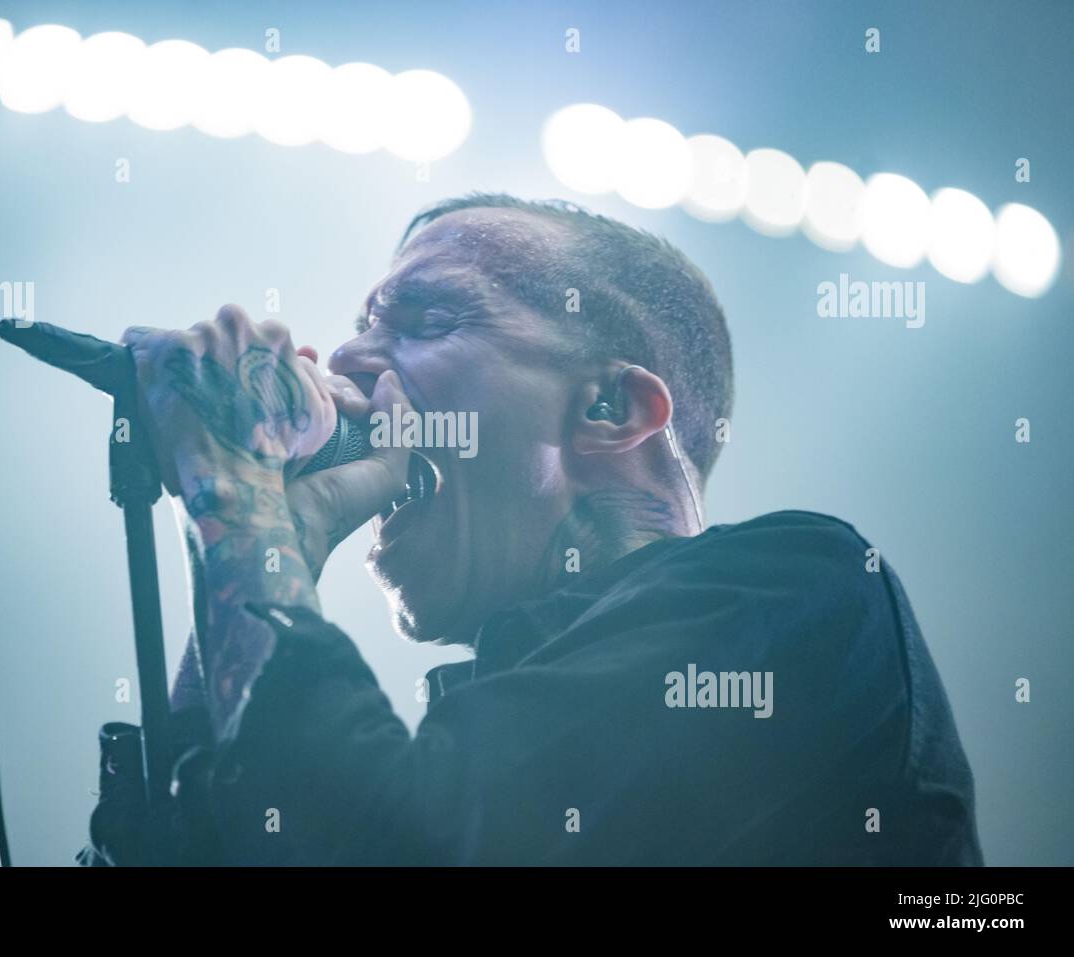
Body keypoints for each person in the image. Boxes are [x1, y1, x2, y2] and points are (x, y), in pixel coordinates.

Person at [96, 194, 982, 865]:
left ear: (608, 407)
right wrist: (280, 524)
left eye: (426, 320)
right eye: (364, 325)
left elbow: (393, 840)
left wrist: (235, 488)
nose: (350, 361)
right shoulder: (488, 717)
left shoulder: (807, 592)